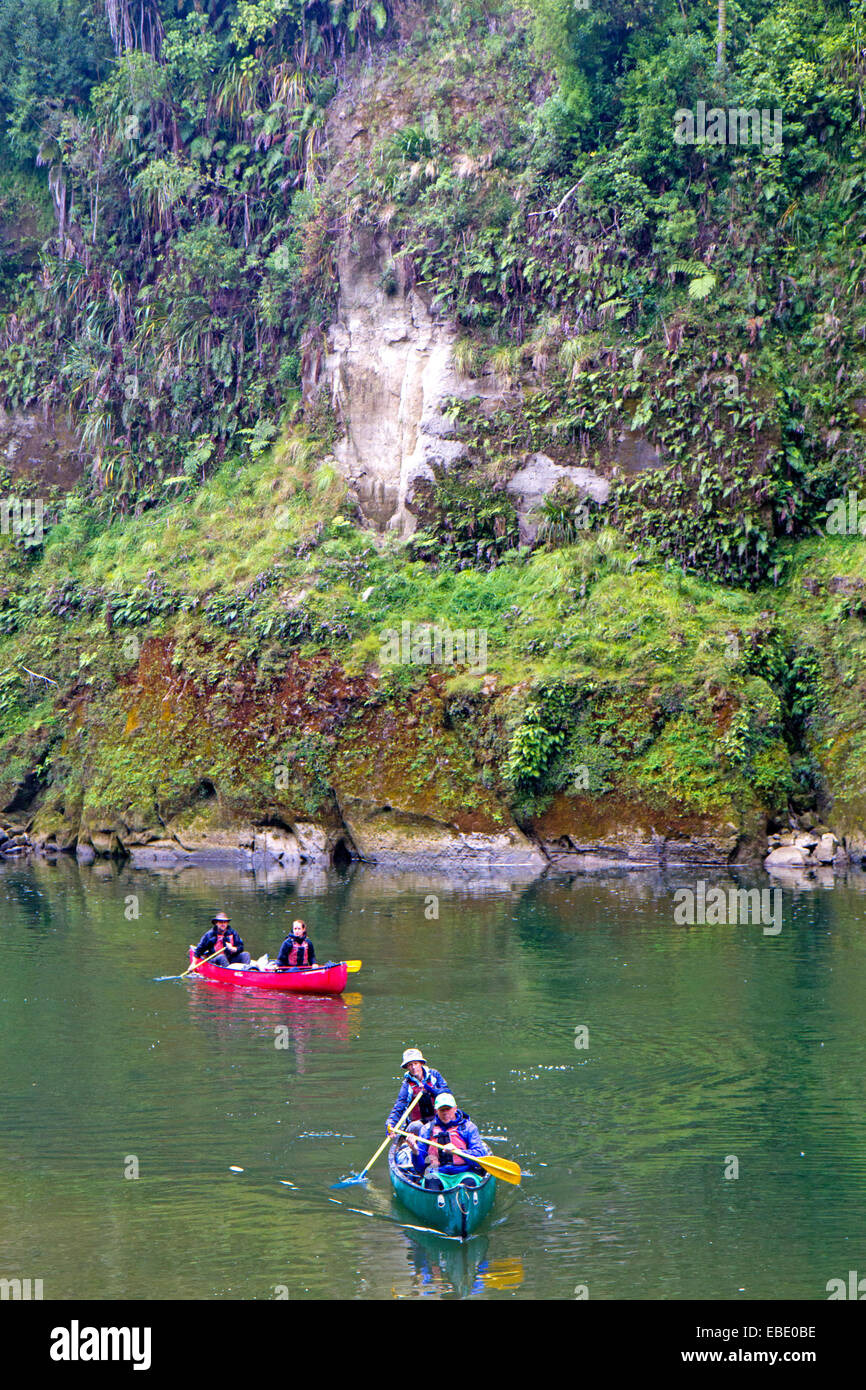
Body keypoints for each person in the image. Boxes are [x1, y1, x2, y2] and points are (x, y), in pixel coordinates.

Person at [407, 1092, 490, 1187]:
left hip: (465, 1173)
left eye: (448, 1109)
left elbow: (480, 1158)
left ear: (455, 1108)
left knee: (469, 1184)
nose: (445, 1113)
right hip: (437, 1174)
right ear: (436, 1110)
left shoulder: (468, 1128)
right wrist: (414, 1150)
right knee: (431, 1183)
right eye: (442, 1110)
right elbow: (420, 1168)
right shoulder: (426, 1129)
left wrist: (458, 1151)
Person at [386, 1049, 449, 1135]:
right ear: (407, 1067)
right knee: (415, 1127)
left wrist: (431, 1090)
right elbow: (399, 1106)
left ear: (421, 1063)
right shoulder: (407, 1085)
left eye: (415, 1063)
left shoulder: (434, 1075)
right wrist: (391, 1124)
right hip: (420, 1124)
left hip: (439, 1118)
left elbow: (447, 1093)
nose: (413, 1067)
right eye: (410, 1065)